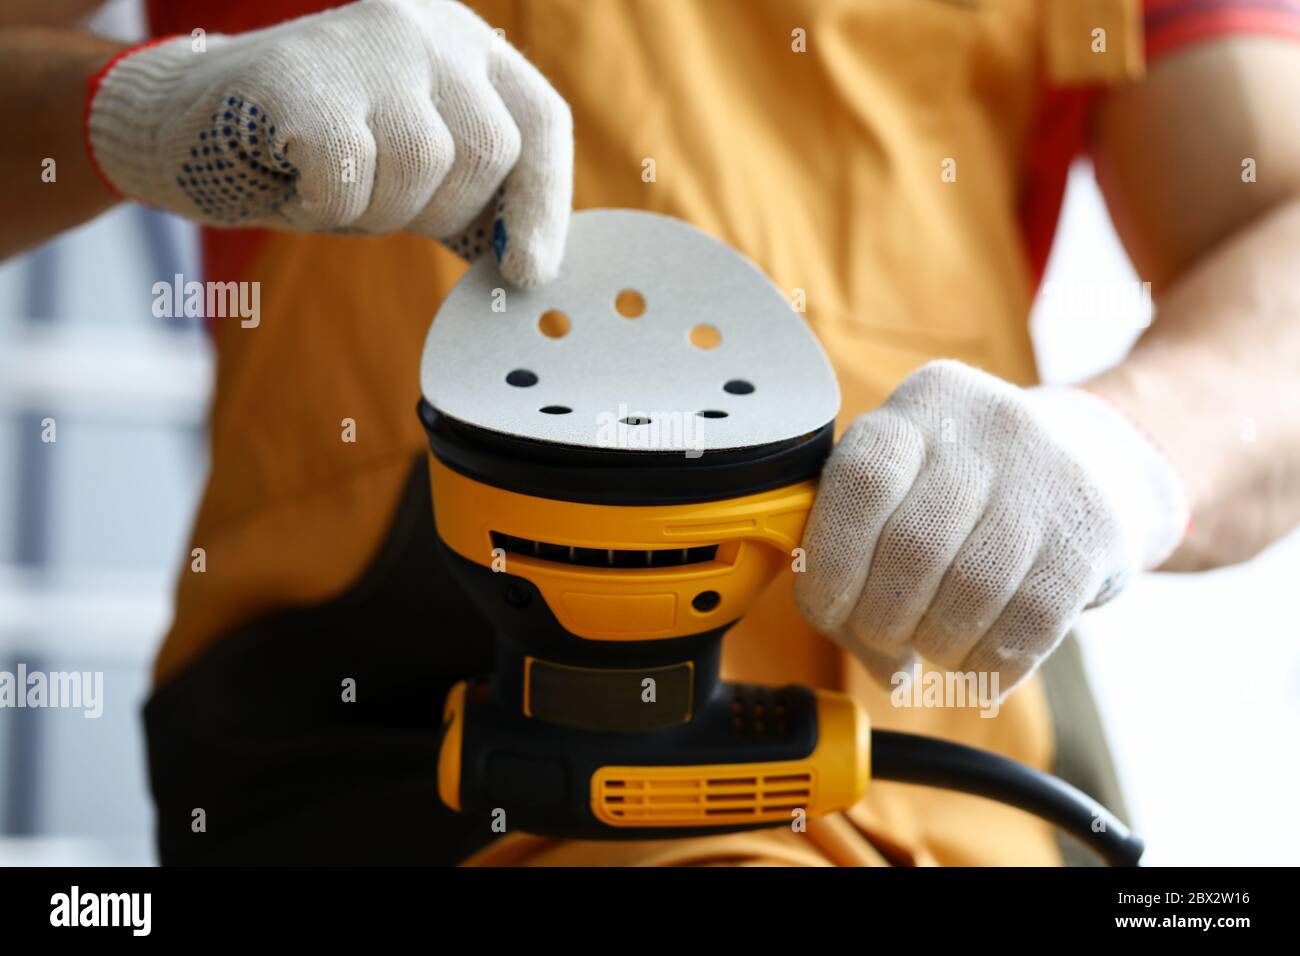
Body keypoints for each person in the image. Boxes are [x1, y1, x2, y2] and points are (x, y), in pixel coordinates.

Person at [3, 0, 1299, 866]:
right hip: (388, 706)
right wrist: (149, 110)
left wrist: (1116, 459)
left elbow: (1273, 225)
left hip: (950, 699)